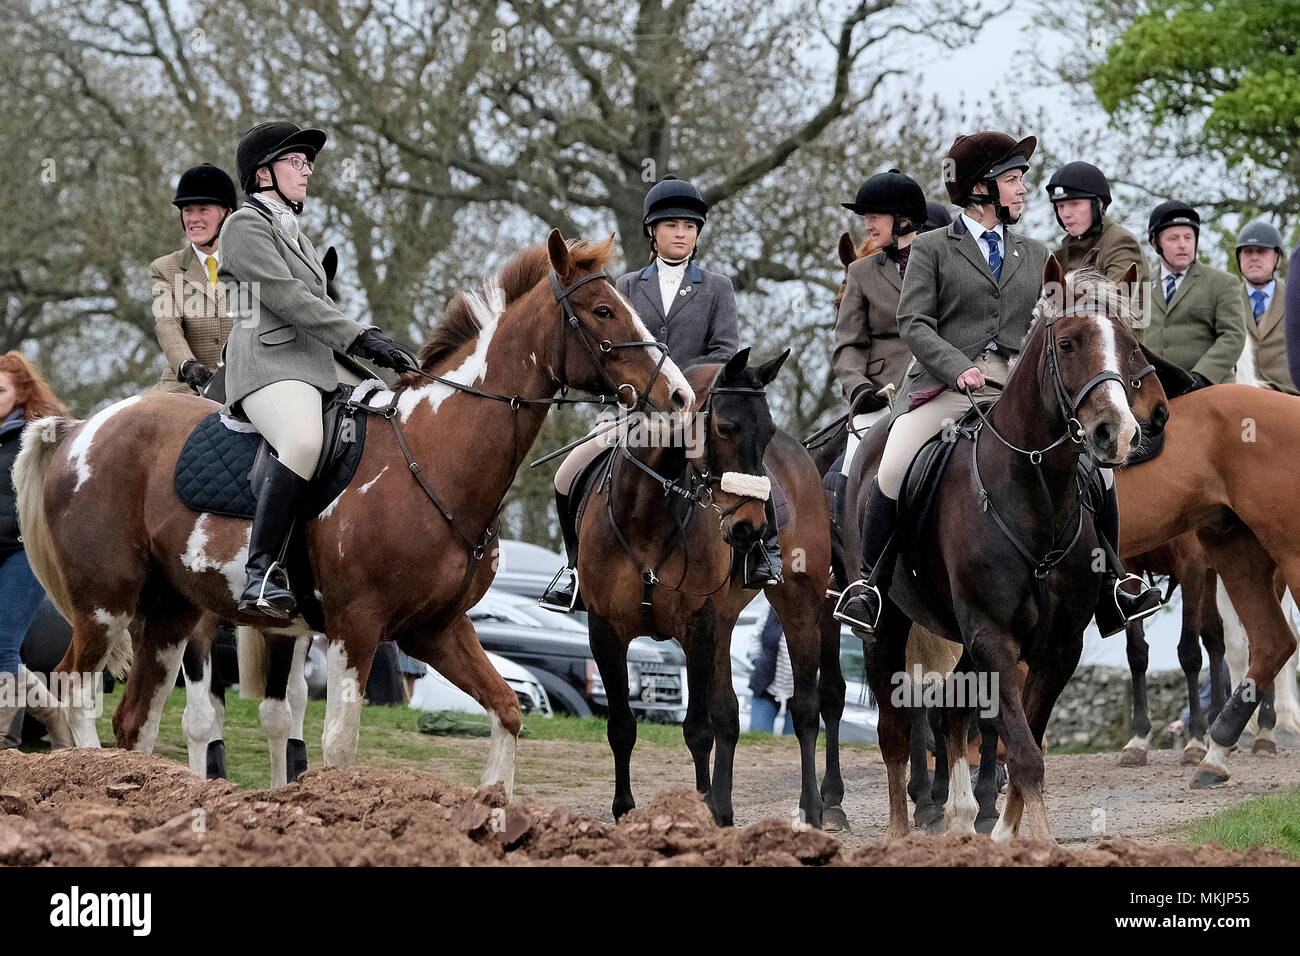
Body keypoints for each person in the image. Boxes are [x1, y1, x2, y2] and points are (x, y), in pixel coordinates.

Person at [836, 131, 1161, 638]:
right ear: (980, 190)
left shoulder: (1034, 253)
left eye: (1020, 181)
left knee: (1100, 474)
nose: (1023, 190)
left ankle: (1114, 585)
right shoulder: (931, 248)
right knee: (892, 463)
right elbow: (914, 322)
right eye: (1013, 180)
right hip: (944, 388)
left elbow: (1062, 318)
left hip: (1014, 390)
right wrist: (955, 366)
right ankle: (869, 588)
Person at [220, 121, 414, 620]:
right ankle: (261, 573)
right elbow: (288, 299)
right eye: (296, 162)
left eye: (308, 164)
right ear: (263, 174)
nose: (307, 171)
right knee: (303, 441)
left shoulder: (299, 236)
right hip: (267, 362)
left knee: (393, 409)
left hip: (313, 363)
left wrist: (375, 352)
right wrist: (360, 335)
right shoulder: (243, 225)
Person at [540, 176, 761, 611]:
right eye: (673, 225)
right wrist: (628, 394)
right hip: (634, 414)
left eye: (690, 227)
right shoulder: (624, 287)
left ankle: (761, 557)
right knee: (565, 475)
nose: (682, 233)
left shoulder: (717, 288)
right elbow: (608, 353)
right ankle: (575, 571)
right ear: (651, 231)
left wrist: (684, 389)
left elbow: (723, 352)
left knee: (751, 474)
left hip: (694, 415)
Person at [828, 169, 928, 535]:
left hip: (940, 386)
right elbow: (849, 344)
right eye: (866, 217)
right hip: (880, 394)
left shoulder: (945, 262)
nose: (867, 226)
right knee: (851, 465)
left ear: (903, 220)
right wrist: (858, 388)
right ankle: (845, 563)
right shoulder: (860, 272)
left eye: (874, 217)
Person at [0, 351, 73, 749]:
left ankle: (3, 741)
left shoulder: (40, 436)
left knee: (3, 645)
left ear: (22, 394)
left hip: (22, 551)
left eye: (0, 390)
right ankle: (53, 715)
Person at [151, 164, 238, 395]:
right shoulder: (165, 268)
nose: (193, 219)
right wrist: (186, 364)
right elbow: (167, 324)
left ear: (227, 213)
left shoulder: (253, 262)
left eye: (203, 209)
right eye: (187, 210)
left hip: (246, 384)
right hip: (186, 387)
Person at [1141, 200, 1245, 387]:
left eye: (1188, 237)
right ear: (1155, 244)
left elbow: (1233, 336)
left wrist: (1203, 376)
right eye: (1173, 238)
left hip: (1209, 389)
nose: (1183, 245)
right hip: (1154, 394)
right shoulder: (1140, 286)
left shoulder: (1223, 282)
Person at [1045, 161, 1149, 292]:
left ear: (1098, 204)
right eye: (1060, 206)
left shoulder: (1120, 242)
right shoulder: (1065, 249)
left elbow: (1115, 300)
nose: (1065, 214)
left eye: (1074, 204)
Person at [1233, 220, 1295, 394]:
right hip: (1240, 398)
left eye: (1262, 251)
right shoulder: (1226, 301)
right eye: (1247, 251)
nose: (1254, 257)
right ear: (1239, 257)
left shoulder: (1295, 299)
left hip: (1289, 397)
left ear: (1278, 258)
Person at [747, 607, 794, 735]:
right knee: (759, 739)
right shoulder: (770, 611)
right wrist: (756, 659)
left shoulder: (812, 612)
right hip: (766, 688)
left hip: (799, 693)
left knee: (795, 745)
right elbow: (754, 636)